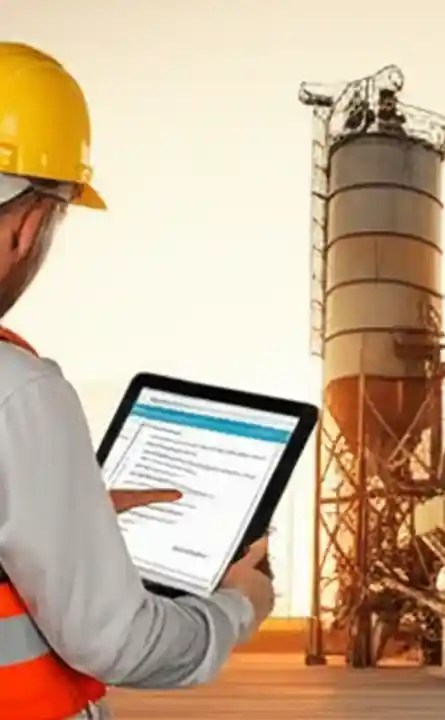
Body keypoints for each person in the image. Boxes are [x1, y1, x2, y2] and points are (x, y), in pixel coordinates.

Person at [0, 42, 276, 718]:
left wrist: (66, 513)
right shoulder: (18, 392)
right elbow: (118, 642)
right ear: (31, 224)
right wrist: (238, 607)